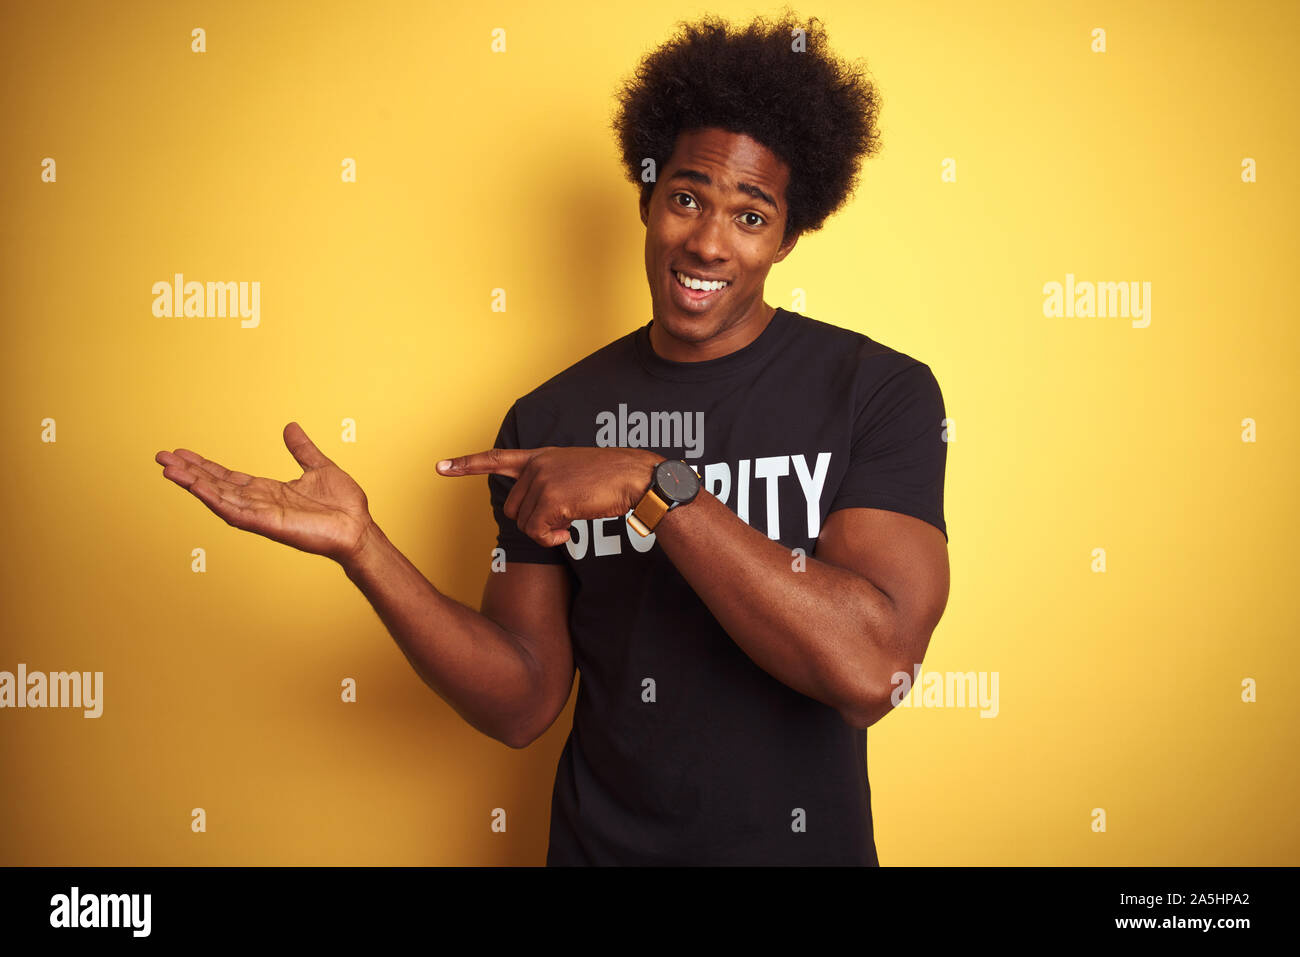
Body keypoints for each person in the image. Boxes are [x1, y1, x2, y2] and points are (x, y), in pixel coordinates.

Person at [155, 12, 949, 866]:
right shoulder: (550, 421)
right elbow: (523, 701)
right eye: (686, 198)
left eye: (750, 216)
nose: (708, 241)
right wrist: (363, 549)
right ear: (647, 199)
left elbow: (874, 670)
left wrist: (654, 483)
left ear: (789, 236)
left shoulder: (878, 391)